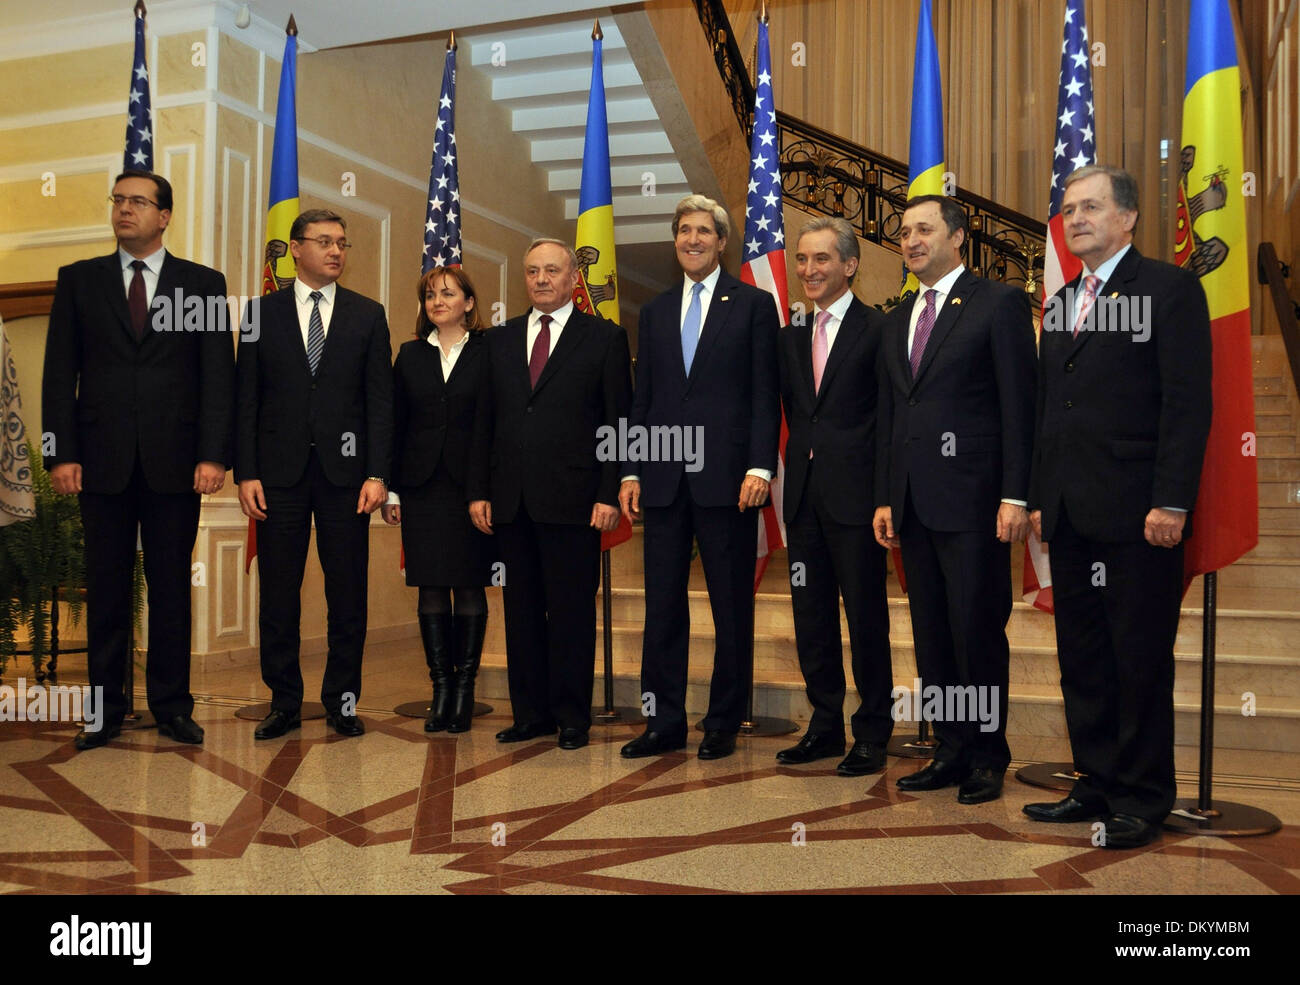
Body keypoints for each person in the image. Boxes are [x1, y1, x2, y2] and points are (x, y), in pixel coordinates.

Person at [1025, 165, 1211, 849]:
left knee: (1138, 661)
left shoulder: (1169, 289)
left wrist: (1171, 499)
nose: (1075, 219)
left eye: (1091, 207)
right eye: (1069, 209)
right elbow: (1052, 410)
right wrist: (1043, 497)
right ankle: (1095, 782)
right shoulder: (1063, 297)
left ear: (1127, 218)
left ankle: (1142, 797)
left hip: (1140, 517)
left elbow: (1186, 405)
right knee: (1084, 658)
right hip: (1071, 515)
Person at [43, 169, 234, 751]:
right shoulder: (79, 281)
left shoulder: (202, 284)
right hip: (99, 464)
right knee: (106, 587)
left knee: (171, 586)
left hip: (176, 463)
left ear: (165, 215)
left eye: (138, 202)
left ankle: (172, 705)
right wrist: (61, 453)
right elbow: (58, 374)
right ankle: (104, 711)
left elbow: (216, 378)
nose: (125, 210)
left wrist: (214, 455)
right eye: (119, 201)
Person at [872, 195, 1036, 804]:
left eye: (924, 229)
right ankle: (950, 747)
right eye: (904, 232)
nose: (911, 240)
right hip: (913, 506)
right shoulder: (897, 318)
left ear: (959, 236)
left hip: (975, 506)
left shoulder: (998, 304)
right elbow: (894, 414)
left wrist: (1015, 494)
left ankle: (988, 755)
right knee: (932, 635)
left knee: (976, 633)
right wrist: (887, 496)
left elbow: (1020, 406)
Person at [618, 194, 781, 761]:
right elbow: (644, 399)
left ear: (721, 241)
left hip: (729, 481)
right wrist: (632, 466)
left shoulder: (754, 305)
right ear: (675, 239)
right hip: (663, 481)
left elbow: (766, 393)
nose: (692, 240)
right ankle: (662, 721)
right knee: (662, 606)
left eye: (703, 232)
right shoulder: (656, 311)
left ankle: (722, 721)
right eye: (684, 231)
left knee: (729, 605)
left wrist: (761, 465)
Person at [235, 208, 393, 740]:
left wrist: (378, 472)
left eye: (343, 243)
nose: (336, 251)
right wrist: (246, 472)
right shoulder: (260, 313)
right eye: (324, 241)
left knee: (347, 593)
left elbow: (380, 403)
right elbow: (246, 401)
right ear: (295, 248)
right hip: (276, 478)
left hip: (347, 479)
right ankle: (283, 702)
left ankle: (341, 701)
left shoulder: (368, 315)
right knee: (279, 593)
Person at [468, 239, 631, 751]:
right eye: (533, 270)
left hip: (576, 501)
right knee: (520, 613)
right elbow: (483, 423)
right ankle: (530, 714)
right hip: (512, 502)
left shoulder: (603, 339)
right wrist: (478, 490)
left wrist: (609, 491)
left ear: (572, 278)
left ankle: (572, 716)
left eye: (552, 270)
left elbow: (618, 424)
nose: (541, 279)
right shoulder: (499, 339)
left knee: (570, 613)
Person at [776, 217, 892, 775]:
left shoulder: (879, 329)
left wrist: (885, 497)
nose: (808, 270)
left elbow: (891, 419)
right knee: (811, 617)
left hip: (858, 502)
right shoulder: (791, 332)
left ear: (849, 265)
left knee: (866, 619)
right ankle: (824, 725)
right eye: (802, 259)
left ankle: (872, 733)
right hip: (802, 500)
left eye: (821, 259)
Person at [382, 266, 494, 733]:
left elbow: (495, 425)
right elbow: (393, 425)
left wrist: (484, 490)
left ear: (469, 302)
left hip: (471, 490)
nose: (437, 301)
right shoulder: (409, 355)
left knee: (469, 586)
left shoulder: (491, 352)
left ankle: (465, 690)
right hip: (422, 488)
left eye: (447, 294)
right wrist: (390, 488)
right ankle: (441, 690)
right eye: (430, 295)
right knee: (430, 588)